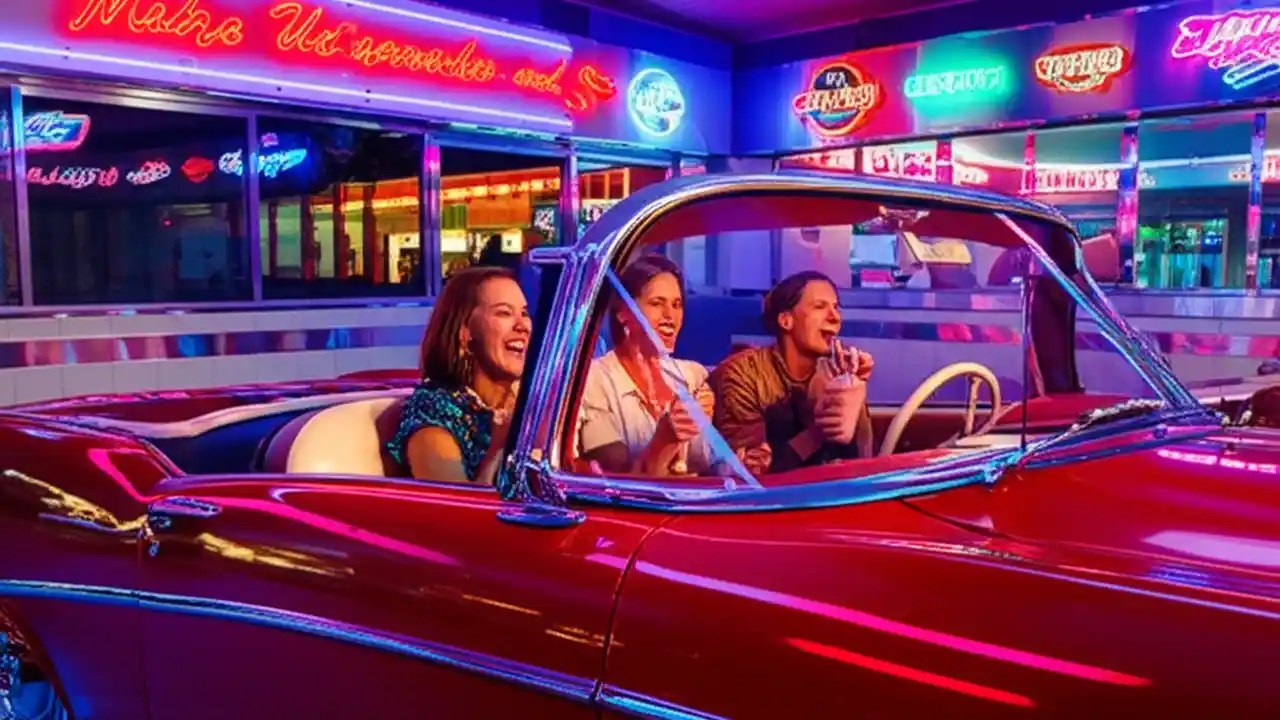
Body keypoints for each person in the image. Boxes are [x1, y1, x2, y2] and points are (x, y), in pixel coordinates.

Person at [710, 271, 874, 473]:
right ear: (786, 321)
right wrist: (818, 431)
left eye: (836, 307)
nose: (835, 317)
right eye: (820, 307)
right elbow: (750, 473)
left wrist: (854, 391)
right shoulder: (742, 376)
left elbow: (862, 463)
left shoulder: (835, 372)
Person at [578, 255, 722, 476]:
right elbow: (618, 484)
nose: (670, 316)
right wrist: (664, 440)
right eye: (657, 303)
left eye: (677, 305)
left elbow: (716, 467)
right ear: (623, 313)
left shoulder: (693, 375)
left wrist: (745, 460)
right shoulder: (595, 381)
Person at [387, 266, 530, 484]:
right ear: (465, 334)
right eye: (504, 313)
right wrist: (501, 447)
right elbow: (457, 512)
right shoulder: (433, 411)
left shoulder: (527, 400)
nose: (522, 326)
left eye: (525, 313)